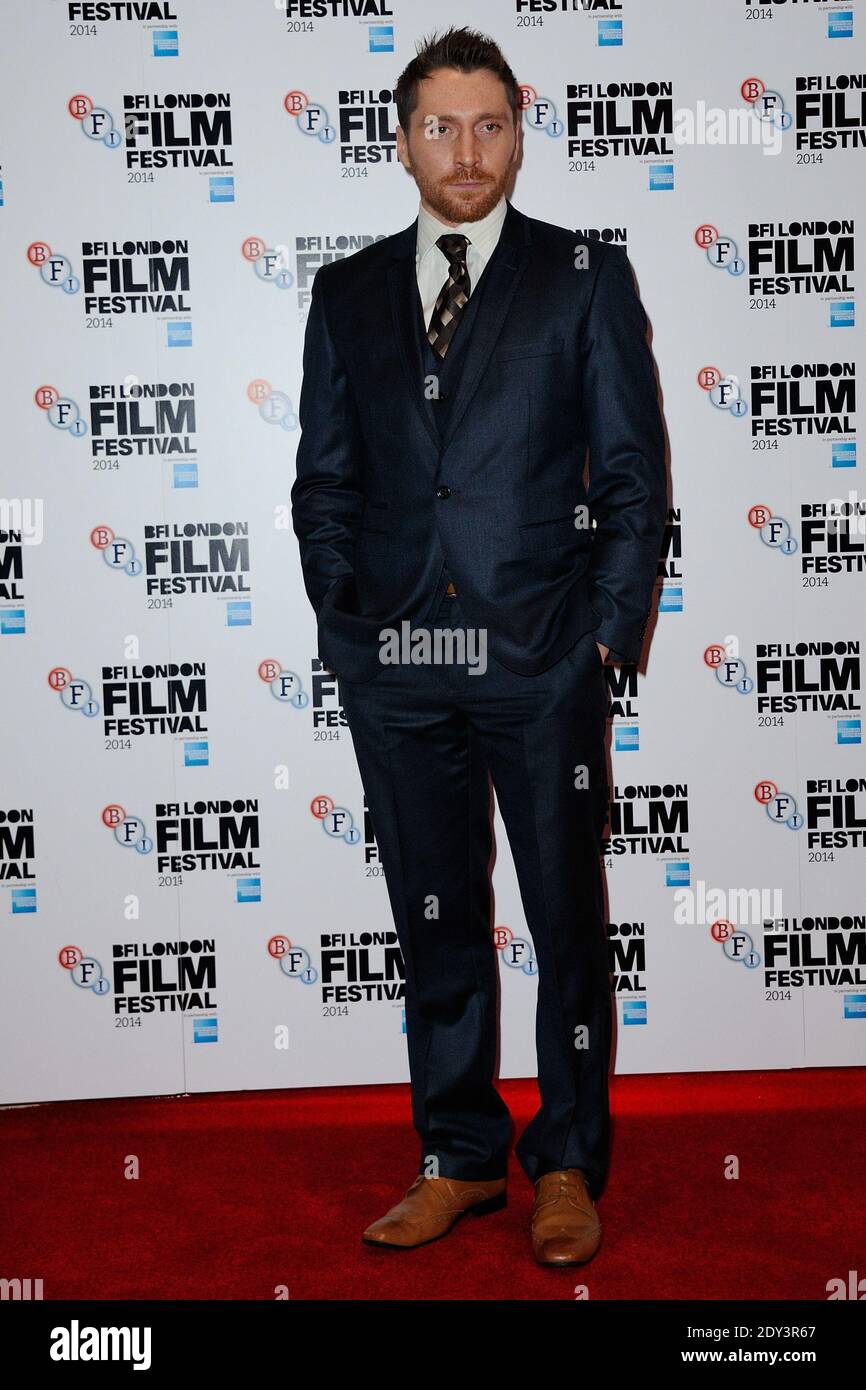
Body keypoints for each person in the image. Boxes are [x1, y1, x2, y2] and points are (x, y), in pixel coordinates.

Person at [291, 25, 667, 1266]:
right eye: (440, 125)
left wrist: (604, 637)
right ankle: (456, 1155)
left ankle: (564, 1162)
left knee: (564, 917)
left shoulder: (580, 278)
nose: (467, 150)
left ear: (519, 128)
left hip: (540, 660)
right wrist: (345, 625)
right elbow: (325, 482)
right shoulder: (345, 291)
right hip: (397, 671)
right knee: (434, 919)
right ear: (401, 140)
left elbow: (628, 474)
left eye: (488, 124)